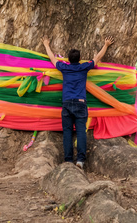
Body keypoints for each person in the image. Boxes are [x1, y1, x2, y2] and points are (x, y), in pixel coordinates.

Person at [42, 36, 113, 168]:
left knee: (67, 132)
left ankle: (68, 160)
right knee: (81, 131)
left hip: (67, 103)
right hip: (81, 104)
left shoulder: (64, 67)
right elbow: (97, 58)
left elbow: (52, 58)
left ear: (68, 60)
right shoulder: (84, 67)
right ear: (80, 59)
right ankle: (80, 160)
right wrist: (106, 45)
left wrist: (46, 44)